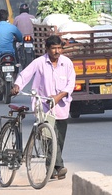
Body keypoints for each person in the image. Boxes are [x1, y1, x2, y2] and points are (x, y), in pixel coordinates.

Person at [13, 34, 75, 181]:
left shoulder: (66, 63)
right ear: (47, 49)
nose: (57, 51)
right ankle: (59, 167)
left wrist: (59, 96)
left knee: (59, 140)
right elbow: (25, 74)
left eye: (59, 48)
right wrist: (17, 85)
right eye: (53, 48)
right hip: (43, 106)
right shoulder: (39, 62)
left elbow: (71, 83)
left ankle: (51, 169)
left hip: (62, 107)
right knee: (48, 138)